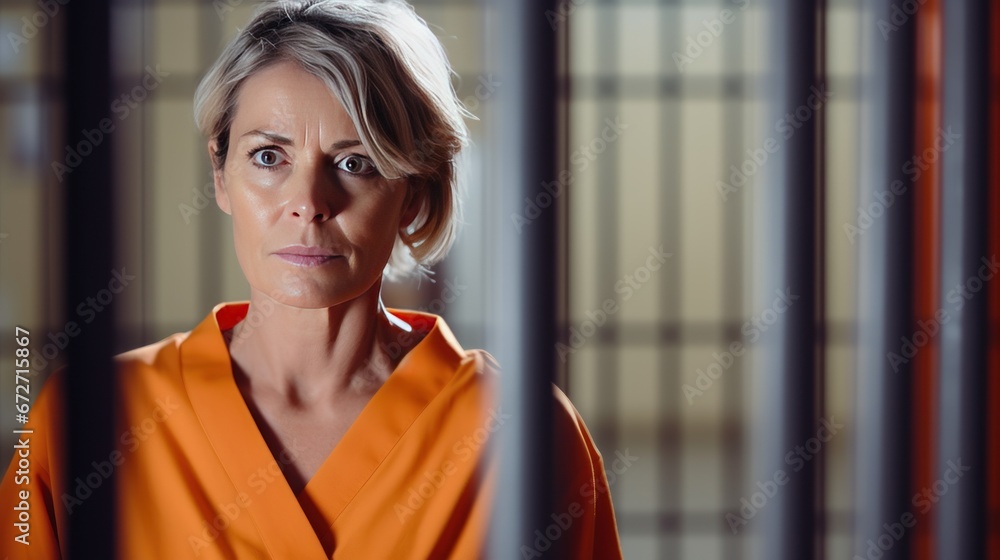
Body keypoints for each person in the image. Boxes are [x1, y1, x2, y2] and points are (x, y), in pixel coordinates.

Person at [1, 1, 622, 557]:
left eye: (356, 162)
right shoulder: (82, 421)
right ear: (221, 177)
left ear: (414, 194)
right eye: (269, 157)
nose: (309, 202)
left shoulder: (524, 433)